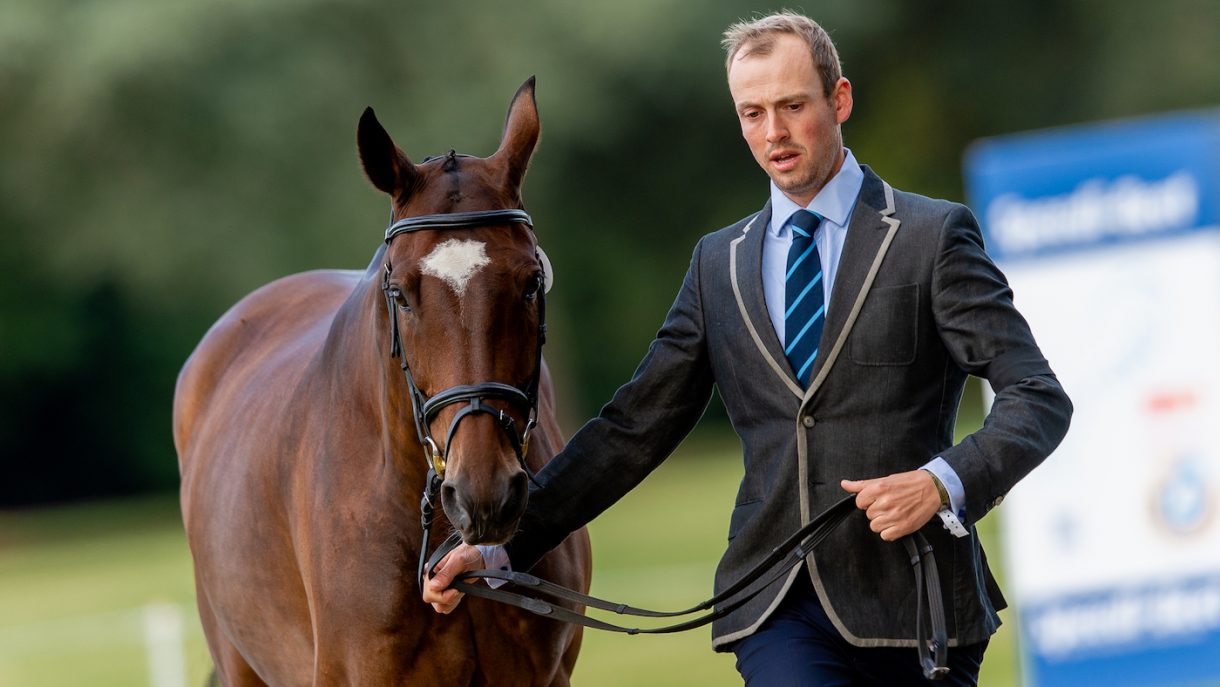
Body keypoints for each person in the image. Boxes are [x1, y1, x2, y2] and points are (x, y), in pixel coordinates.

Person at [424, 11, 1072, 686]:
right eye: (752, 113)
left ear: (839, 100)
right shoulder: (718, 264)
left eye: (793, 106)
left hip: (917, 604)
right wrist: (502, 545)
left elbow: (1038, 398)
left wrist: (940, 482)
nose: (774, 133)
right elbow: (632, 429)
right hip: (774, 606)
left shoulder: (932, 237)